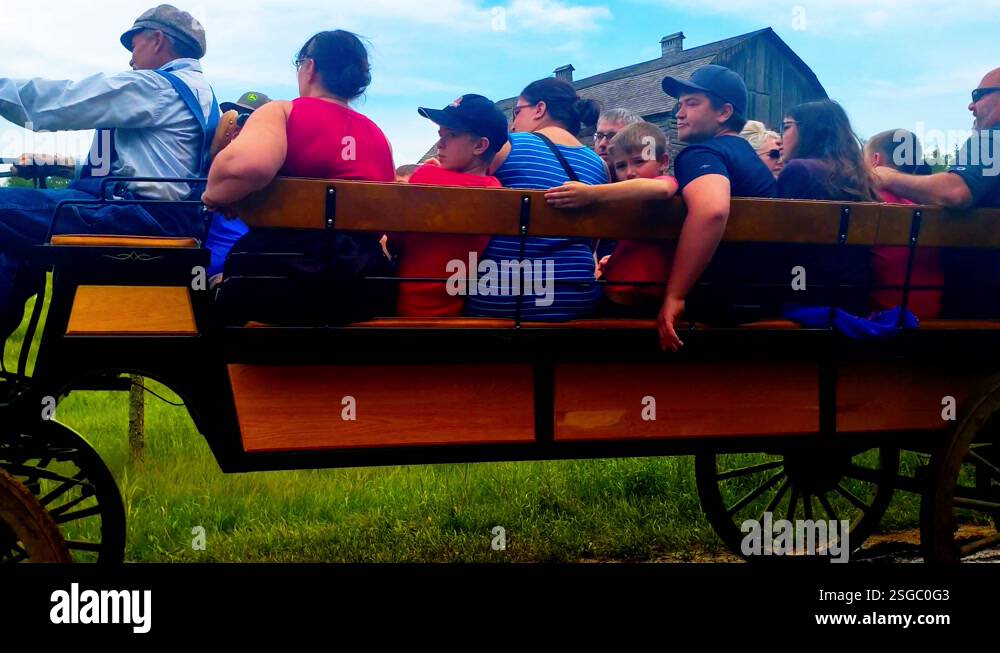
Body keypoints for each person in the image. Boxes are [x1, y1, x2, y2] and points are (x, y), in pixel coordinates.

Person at [0, 4, 218, 341]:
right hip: (159, 215)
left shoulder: (156, 88)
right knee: (12, 240)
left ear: (157, 40)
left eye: (135, 46)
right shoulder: (199, 93)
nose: (131, 59)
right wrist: (60, 164)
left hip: (135, 216)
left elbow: (55, 103)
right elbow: (139, 163)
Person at [203, 29, 396, 326]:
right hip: (364, 288)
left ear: (310, 67)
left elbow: (245, 168)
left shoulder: (283, 112)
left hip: (279, 281)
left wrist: (216, 196)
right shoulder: (378, 136)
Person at [464, 77, 607, 321]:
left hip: (501, 300)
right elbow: (592, 243)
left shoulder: (506, 147)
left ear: (539, 109)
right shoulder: (599, 165)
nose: (513, 123)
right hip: (576, 303)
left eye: (517, 112)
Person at [657, 64, 777, 350]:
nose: (679, 113)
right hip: (765, 299)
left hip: (721, 303)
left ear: (724, 112)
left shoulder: (701, 152)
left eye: (692, 104)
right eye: (680, 104)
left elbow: (712, 211)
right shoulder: (748, 156)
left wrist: (675, 295)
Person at [872, 67, 1000, 318]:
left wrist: (886, 176)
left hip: (978, 307)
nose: (970, 106)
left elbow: (955, 192)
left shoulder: (992, 139)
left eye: (978, 95)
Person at [390, 95, 507, 317]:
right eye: (440, 134)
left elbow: (396, 241)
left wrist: (433, 172)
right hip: (455, 309)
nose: (440, 143)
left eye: (451, 135)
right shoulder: (495, 190)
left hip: (406, 306)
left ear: (481, 145)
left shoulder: (426, 176)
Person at [545, 121, 678, 312]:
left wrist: (592, 193)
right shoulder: (628, 198)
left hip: (640, 296)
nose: (630, 172)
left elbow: (663, 189)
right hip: (617, 291)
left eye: (639, 161)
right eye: (621, 166)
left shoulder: (663, 182)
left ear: (663, 162)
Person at [768, 99, 880, 317]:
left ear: (810, 130)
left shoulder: (799, 170)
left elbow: (780, 243)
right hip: (854, 297)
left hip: (806, 296)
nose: (781, 138)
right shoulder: (860, 177)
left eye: (787, 126)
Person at [864, 129, 943, 318]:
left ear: (875, 160)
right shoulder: (928, 207)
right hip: (931, 315)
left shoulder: (870, 202)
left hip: (882, 317)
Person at [204, 91, 272, 281]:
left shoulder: (270, 173)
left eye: (249, 119)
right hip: (202, 267)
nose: (238, 125)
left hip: (243, 269)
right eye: (236, 116)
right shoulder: (208, 163)